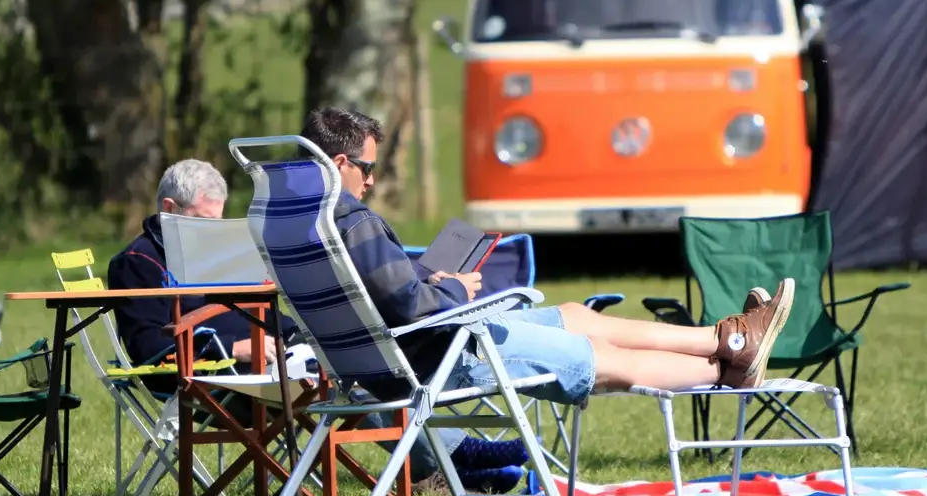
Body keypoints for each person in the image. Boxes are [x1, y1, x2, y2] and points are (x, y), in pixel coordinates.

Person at [300, 107, 794, 408]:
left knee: (578, 316)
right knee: (602, 360)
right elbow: (412, 308)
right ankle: (729, 368)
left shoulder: (300, 223)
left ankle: (725, 337)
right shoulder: (354, 223)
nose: (371, 180)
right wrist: (454, 289)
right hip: (441, 355)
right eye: (366, 168)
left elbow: (382, 294)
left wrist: (429, 274)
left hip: (393, 357)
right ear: (341, 163)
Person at [107, 159, 294, 376]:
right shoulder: (136, 262)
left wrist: (300, 334)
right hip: (198, 371)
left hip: (259, 360)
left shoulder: (217, 251)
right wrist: (230, 348)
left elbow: (258, 312)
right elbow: (148, 347)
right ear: (169, 208)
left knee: (318, 371)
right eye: (203, 220)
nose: (212, 231)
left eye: (217, 221)